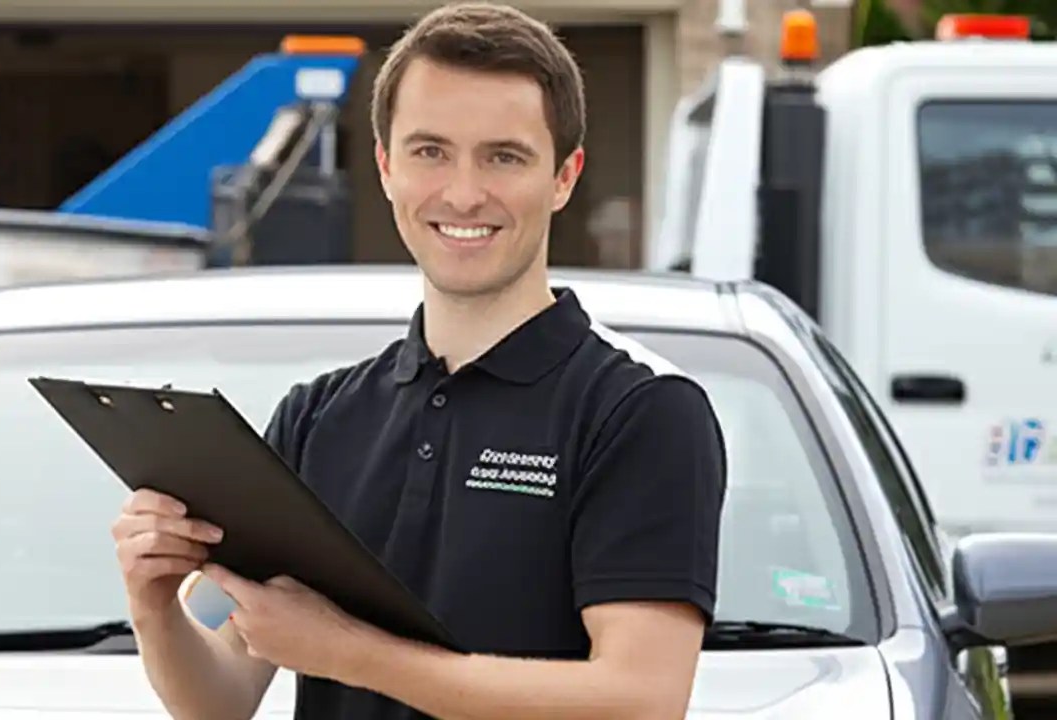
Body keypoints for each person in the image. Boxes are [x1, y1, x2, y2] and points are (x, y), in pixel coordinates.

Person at [110, 3, 727, 718]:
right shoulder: (316, 419)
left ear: (564, 177)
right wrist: (153, 606)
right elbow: (221, 700)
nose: (464, 193)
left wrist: (349, 653)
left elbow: (640, 702)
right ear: (385, 167)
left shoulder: (638, 414)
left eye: (504, 156)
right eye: (430, 151)